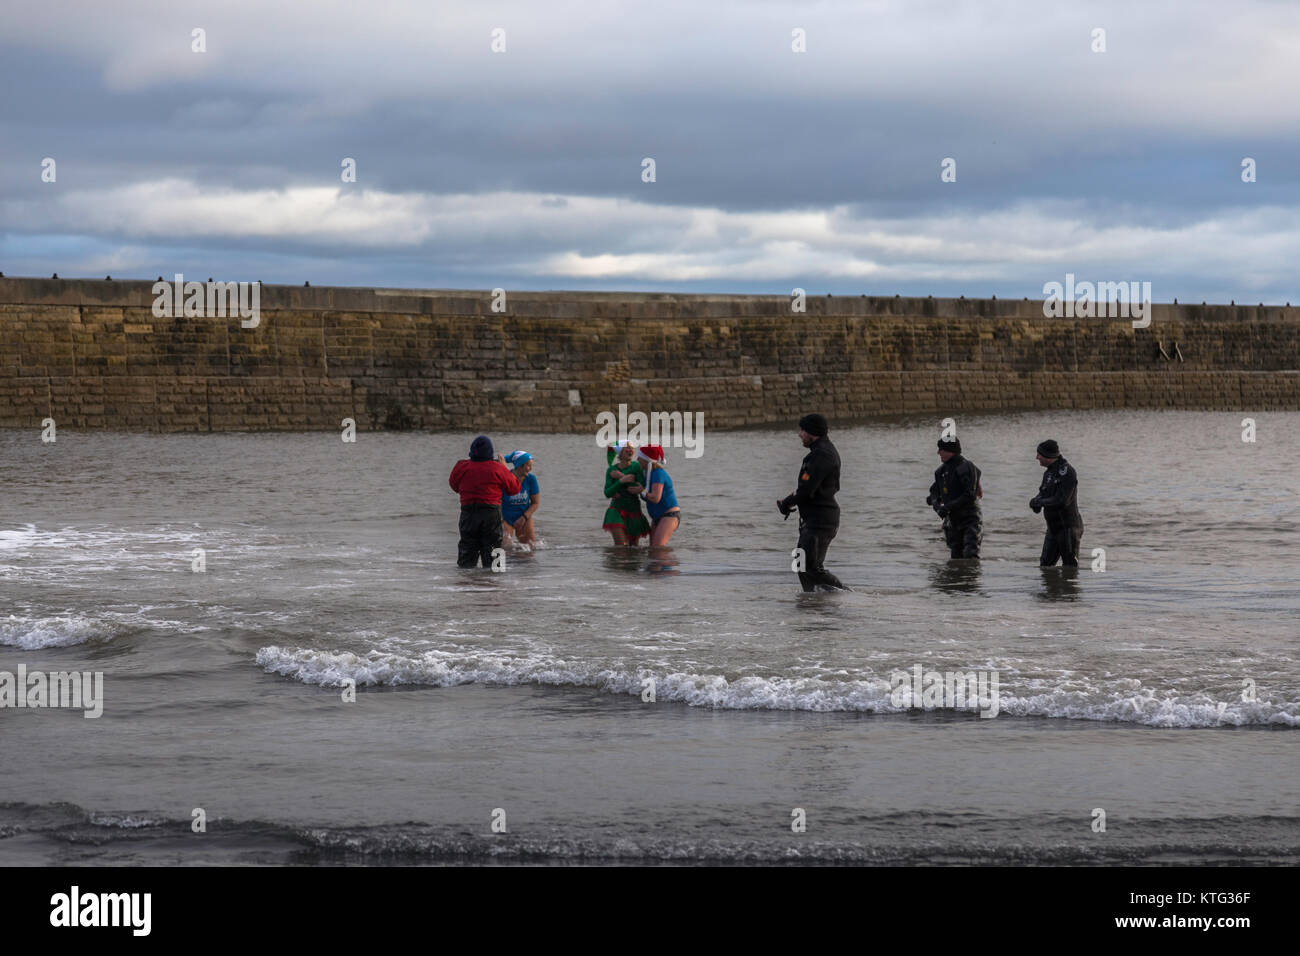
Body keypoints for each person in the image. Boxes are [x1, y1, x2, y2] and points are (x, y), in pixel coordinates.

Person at [777, 413, 849, 591]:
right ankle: (811, 604)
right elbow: (809, 489)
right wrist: (790, 501)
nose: (799, 434)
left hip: (820, 521)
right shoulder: (822, 452)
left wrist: (787, 503)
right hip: (816, 520)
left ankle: (848, 595)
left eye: (802, 430)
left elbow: (807, 491)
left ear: (812, 432)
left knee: (812, 568)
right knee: (802, 565)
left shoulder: (821, 455)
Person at [448, 435, 520, 568]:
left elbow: (453, 485)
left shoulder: (462, 466)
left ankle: (465, 585)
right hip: (491, 514)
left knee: (467, 552)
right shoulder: (497, 468)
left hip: (468, 513)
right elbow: (514, 488)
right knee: (494, 553)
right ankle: (494, 584)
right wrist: (505, 467)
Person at [1030, 439, 1084, 567]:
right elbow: (1043, 493)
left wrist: (1040, 502)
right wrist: (1035, 502)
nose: (1037, 457)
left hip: (1068, 527)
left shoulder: (1067, 472)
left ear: (1049, 456)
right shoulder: (1048, 472)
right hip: (1053, 528)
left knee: (1070, 567)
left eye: (1039, 454)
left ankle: (1069, 587)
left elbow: (1062, 500)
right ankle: (1052, 587)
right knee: (1045, 566)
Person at [926, 437, 982, 559]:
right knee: (955, 556)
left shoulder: (966, 467)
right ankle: (956, 577)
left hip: (970, 519)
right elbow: (933, 492)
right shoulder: (941, 471)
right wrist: (937, 506)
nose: (938, 453)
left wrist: (946, 507)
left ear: (949, 450)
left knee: (970, 554)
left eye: (940, 449)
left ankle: (970, 576)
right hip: (952, 521)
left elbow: (970, 495)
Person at [604, 441, 651, 545]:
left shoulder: (637, 467)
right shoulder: (611, 470)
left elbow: (637, 488)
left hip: (634, 511)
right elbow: (607, 493)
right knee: (621, 547)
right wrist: (622, 481)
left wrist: (621, 477)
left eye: (632, 448)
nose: (630, 450)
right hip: (616, 510)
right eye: (627, 448)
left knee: (634, 550)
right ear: (620, 452)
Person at [637, 445, 680, 546]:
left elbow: (656, 498)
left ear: (646, 460)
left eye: (640, 457)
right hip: (657, 517)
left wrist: (641, 491)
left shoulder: (657, 473)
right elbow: (646, 496)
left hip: (669, 515)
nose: (637, 459)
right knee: (653, 551)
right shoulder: (647, 474)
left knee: (658, 549)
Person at [501, 451, 540, 547]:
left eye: (531, 466)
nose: (530, 468)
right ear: (519, 465)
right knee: (506, 549)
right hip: (506, 518)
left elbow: (535, 503)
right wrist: (501, 519)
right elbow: (496, 501)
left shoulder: (531, 479)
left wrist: (524, 518)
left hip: (524, 516)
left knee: (529, 549)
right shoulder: (504, 478)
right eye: (528, 465)